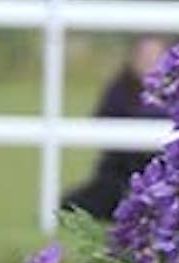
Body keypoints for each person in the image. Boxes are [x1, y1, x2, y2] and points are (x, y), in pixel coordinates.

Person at [63, 34, 171, 219]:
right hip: (121, 174)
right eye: (144, 56)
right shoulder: (119, 90)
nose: (149, 63)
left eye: (155, 57)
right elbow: (102, 126)